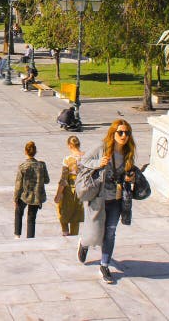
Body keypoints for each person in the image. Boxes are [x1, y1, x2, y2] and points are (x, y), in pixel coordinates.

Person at [77, 119, 137, 284]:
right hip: (99, 197)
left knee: (110, 233)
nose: (124, 136)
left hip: (117, 200)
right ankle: (84, 244)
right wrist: (98, 163)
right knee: (94, 231)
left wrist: (129, 177)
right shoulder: (102, 148)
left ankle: (104, 265)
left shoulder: (128, 152)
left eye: (127, 133)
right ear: (113, 133)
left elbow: (129, 172)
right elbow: (82, 162)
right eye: (120, 132)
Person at [13, 141, 50, 239]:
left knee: (18, 212)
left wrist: (15, 198)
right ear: (35, 152)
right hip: (37, 195)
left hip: (24, 195)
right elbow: (47, 180)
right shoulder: (41, 165)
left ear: (25, 152)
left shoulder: (23, 166)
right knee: (31, 218)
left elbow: (18, 185)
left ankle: (17, 235)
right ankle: (30, 238)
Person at [55, 136, 85, 236]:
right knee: (75, 218)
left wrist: (58, 194)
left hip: (69, 191)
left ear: (69, 146)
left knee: (62, 212)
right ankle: (74, 237)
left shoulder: (67, 160)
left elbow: (64, 179)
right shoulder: (86, 158)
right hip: (82, 190)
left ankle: (65, 232)